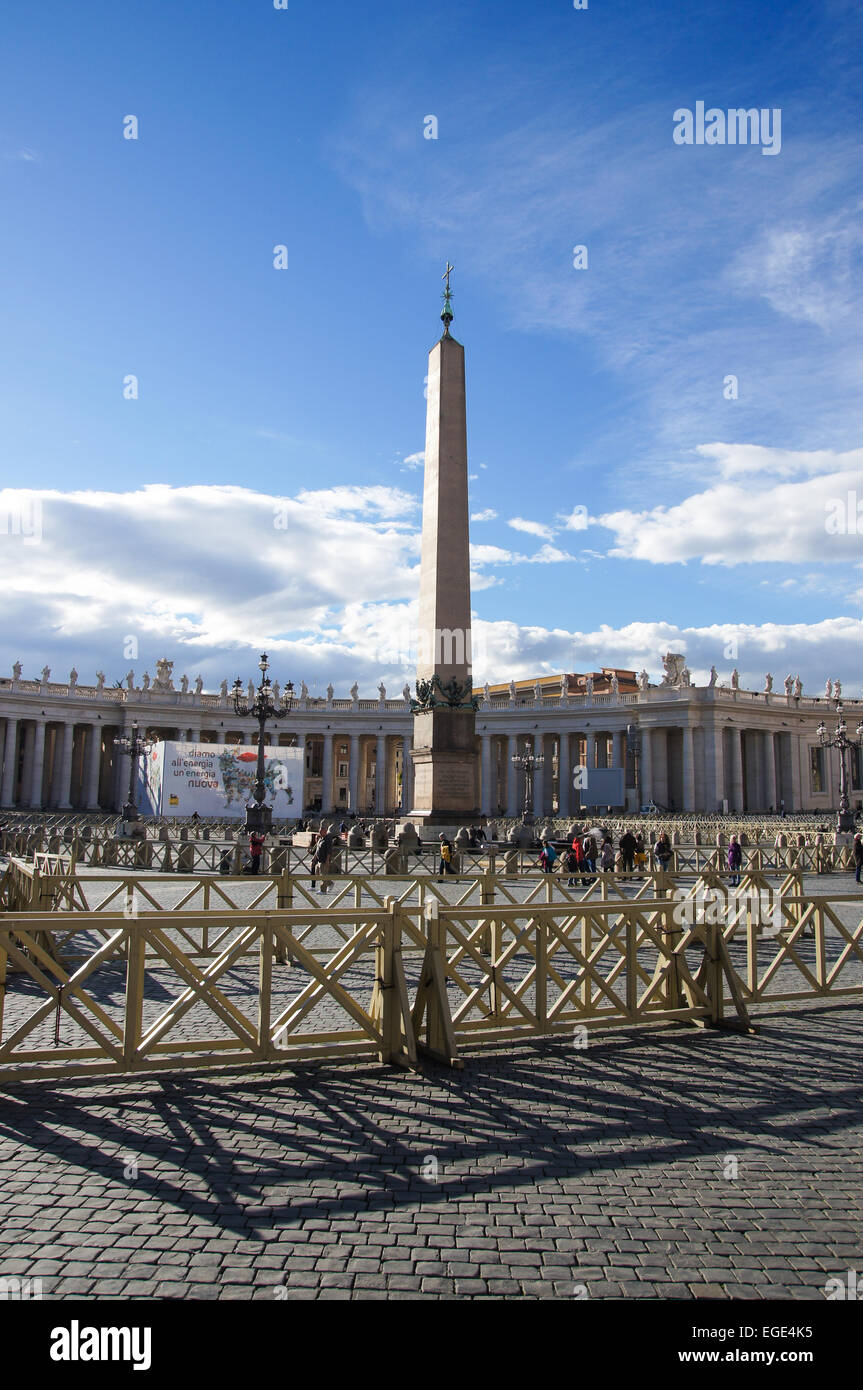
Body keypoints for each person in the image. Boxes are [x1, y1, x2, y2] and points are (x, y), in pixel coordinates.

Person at [311, 825, 335, 893]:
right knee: (317, 874)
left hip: (324, 860)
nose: (320, 832)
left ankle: (323, 890)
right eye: (319, 831)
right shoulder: (320, 839)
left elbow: (329, 850)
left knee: (323, 875)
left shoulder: (328, 839)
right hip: (319, 860)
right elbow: (317, 850)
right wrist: (314, 859)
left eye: (321, 831)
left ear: (325, 831)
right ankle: (330, 883)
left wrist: (327, 860)